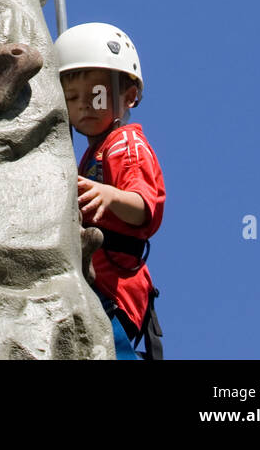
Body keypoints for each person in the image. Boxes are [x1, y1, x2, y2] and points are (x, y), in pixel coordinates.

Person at [56, 22, 165, 360]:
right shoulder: (91, 154)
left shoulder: (124, 145)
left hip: (115, 290)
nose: (84, 105)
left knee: (108, 348)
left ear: (128, 95)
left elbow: (145, 206)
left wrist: (110, 196)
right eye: (72, 98)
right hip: (95, 281)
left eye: (97, 95)